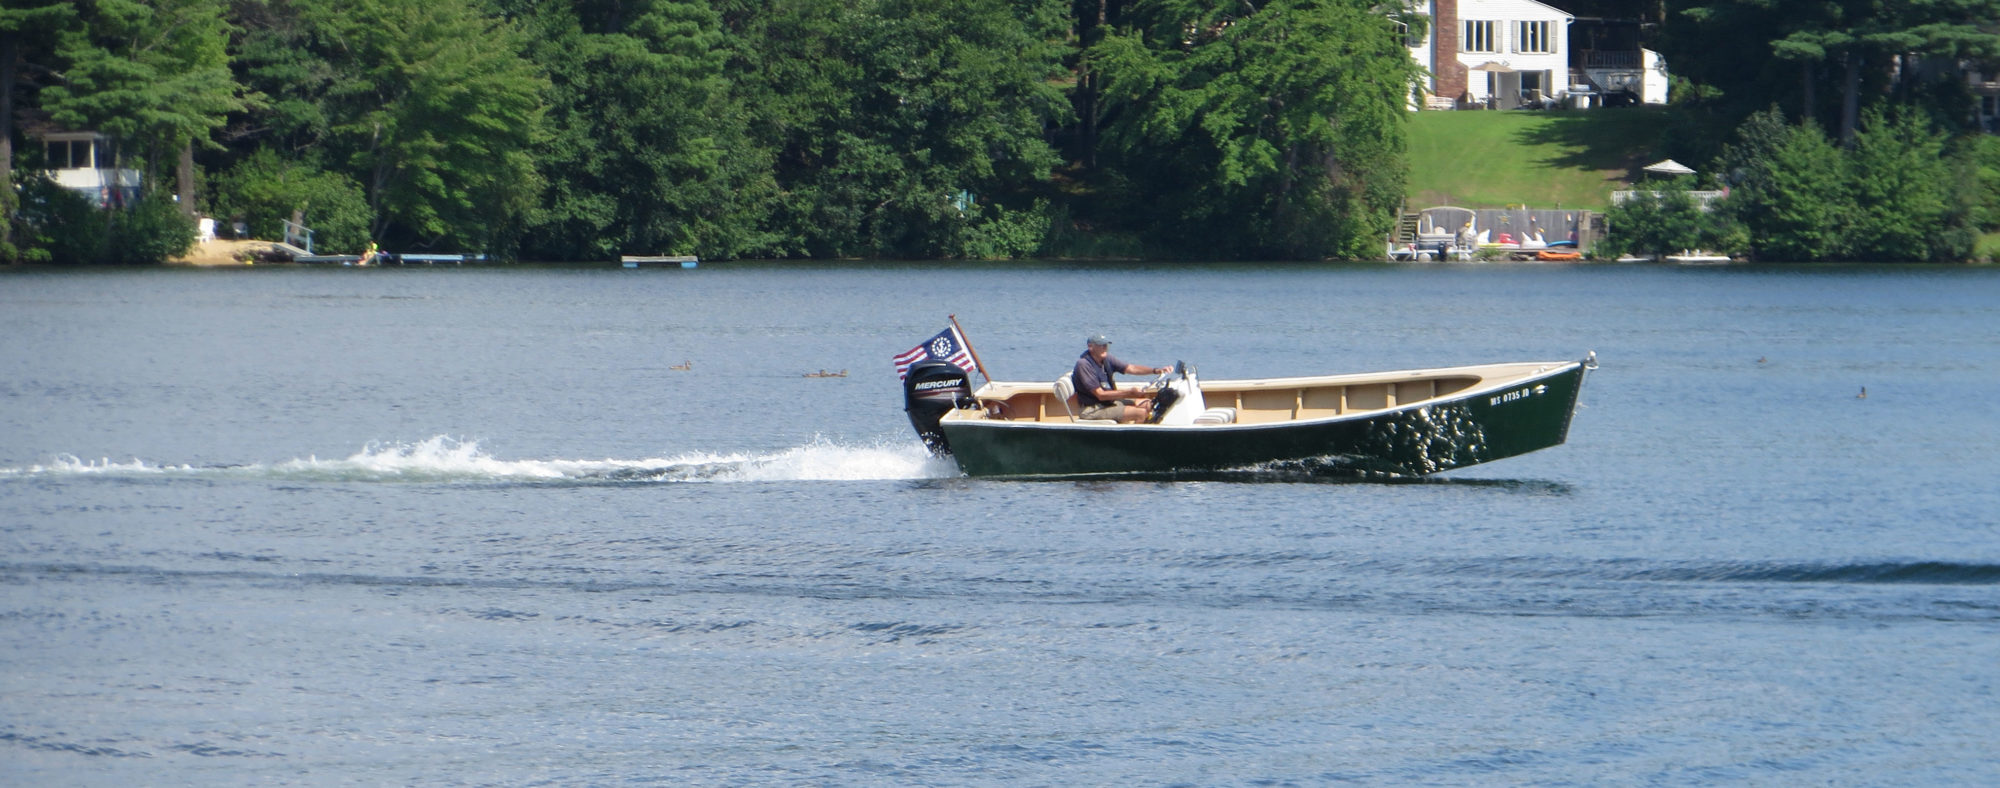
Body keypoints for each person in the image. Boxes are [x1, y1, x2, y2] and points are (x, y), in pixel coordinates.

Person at [1072, 334, 1170, 423]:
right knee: (1140, 413)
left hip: (1108, 403)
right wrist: (1129, 393)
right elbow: (1101, 395)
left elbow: (1131, 368)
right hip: (1092, 409)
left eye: (1106, 345)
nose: (1105, 348)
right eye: (1101, 345)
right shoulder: (1084, 365)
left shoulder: (1106, 359)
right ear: (1090, 347)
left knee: (1148, 405)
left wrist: (1156, 370)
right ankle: (1134, 441)